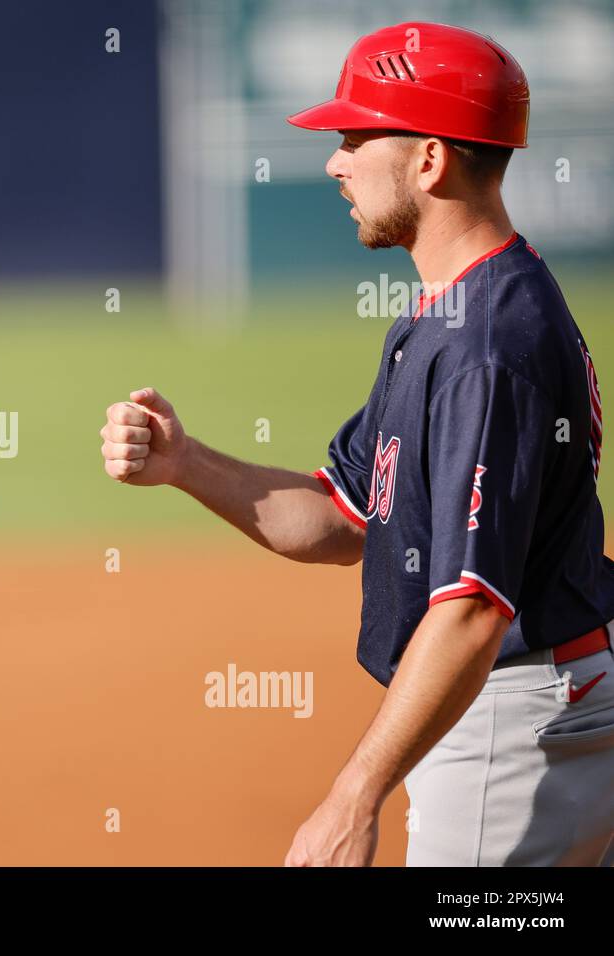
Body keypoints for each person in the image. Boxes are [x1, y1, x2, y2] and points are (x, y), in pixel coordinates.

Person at [100, 23, 613, 866]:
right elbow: (345, 517)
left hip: (514, 731)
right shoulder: (450, 314)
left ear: (430, 160)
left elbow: (473, 607)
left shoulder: (486, 343)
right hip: (519, 712)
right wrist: (188, 465)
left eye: (356, 136)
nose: (336, 161)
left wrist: (353, 795)